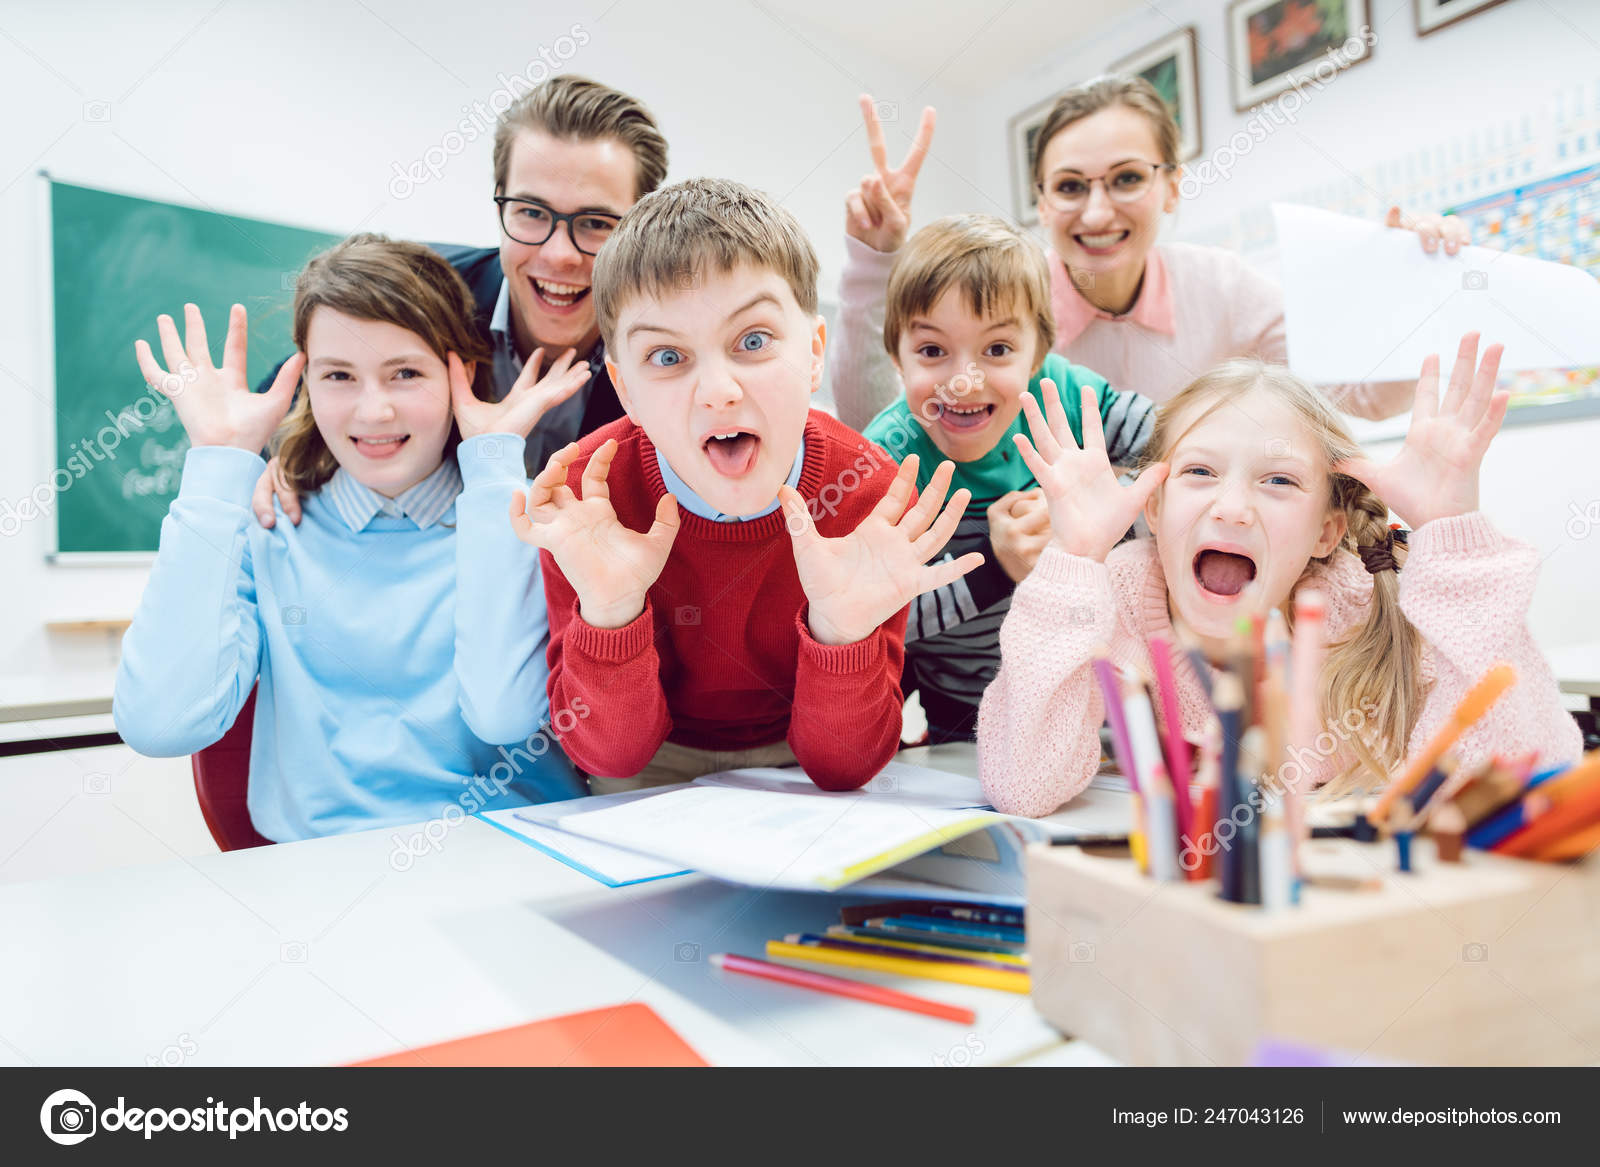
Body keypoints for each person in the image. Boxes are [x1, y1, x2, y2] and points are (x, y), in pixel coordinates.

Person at [479, 177, 982, 792]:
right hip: (656, 753)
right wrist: (611, 610)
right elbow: (611, 757)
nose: (719, 391)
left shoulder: (867, 492)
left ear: (814, 352)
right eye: (668, 357)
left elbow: (844, 766)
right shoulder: (588, 499)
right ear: (625, 389)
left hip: (802, 748)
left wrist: (841, 633)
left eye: (753, 341)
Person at [976, 333, 1581, 816]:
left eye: (1279, 480)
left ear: (1327, 533)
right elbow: (1024, 786)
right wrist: (1074, 558)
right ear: (1153, 507)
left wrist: (1452, 537)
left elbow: (1522, 776)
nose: (1232, 508)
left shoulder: (1366, 605)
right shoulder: (1118, 596)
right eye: (1200, 472)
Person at [114, 236, 589, 840]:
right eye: (339, 375)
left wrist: (494, 469)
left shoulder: (526, 515)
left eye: (406, 373)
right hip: (320, 869)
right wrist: (217, 464)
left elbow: (504, 716)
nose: (374, 412)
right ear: (306, 381)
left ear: (461, 374)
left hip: (518, 854)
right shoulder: (269, 528)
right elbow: (160, 725)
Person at [831, 81, 1468, 431]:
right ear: (1042, 203)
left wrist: (1411, 288)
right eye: (1071, 187)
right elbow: (878, 424)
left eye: (1127, 178)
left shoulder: (1223, 287)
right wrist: (874, 261)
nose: (1097, 213)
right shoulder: (1004, 299)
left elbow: (1364, 396)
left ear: (1171, 186)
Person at [252, 73, 668, 526]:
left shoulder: (670, 338)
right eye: (531, 213)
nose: (558, 255)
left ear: (638, 229)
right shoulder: (422, 292)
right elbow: (299, 393)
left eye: (596, 223)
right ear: (500, 205)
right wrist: (273, 458)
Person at [859, 212, 1154, 742]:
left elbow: (1180, 455)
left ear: (1038, 354)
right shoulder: (887, 459)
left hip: (1096, 706)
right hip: (966, 720)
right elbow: (877, 617)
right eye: (932, 351)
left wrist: (1101, 514)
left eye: (997, 350)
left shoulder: (1065, 394)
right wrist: (996, 565)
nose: (964, 381)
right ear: (896, 357)